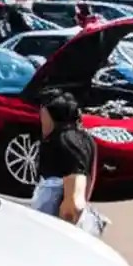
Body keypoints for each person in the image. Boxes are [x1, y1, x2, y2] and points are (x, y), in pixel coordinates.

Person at [30, 91, 106, 235]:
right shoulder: (84, 138)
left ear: (52, 116)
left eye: (42, 114)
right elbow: (90, 179)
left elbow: (74, 205)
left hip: (53, 229)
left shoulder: (65, 142)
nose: (40, 119)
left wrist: (60, 235)